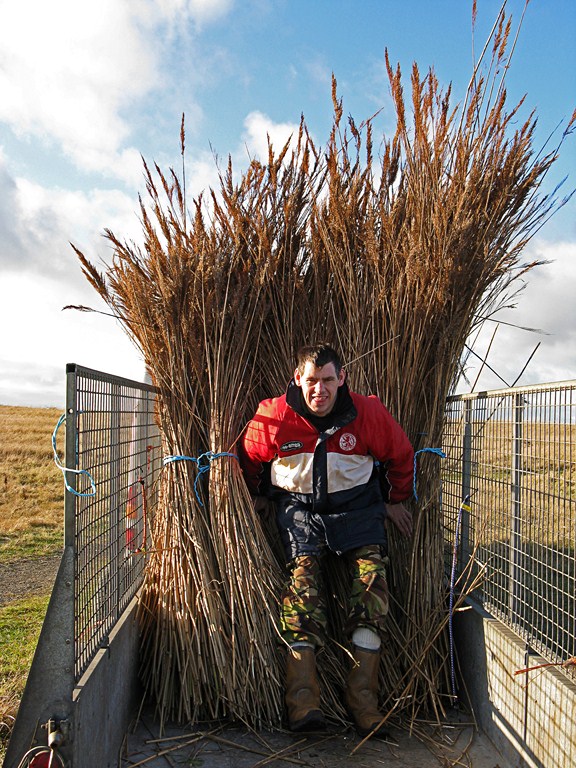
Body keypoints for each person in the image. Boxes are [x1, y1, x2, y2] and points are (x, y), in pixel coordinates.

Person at [239, 343, 414, 736]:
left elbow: (401, 456)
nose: (320, 389)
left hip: (358, 513)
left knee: (373, 585)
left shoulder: (368, 413)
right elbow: (247, 459)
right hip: (300, 514)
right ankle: (303, 702)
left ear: (342, 379)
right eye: (312, 380)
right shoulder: (274, 415)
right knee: (302, 591)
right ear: (298, 378)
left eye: (329, 380)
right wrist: (257, 496)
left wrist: (394, 500)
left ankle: (363, 701)